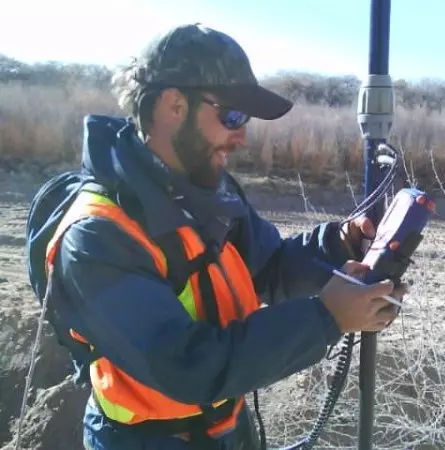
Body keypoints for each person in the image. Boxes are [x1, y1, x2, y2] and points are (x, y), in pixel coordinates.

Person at [37, 23, 405, 450]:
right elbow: (188, 366)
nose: (242, 135)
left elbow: (268, 266)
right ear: (174, 105)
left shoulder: (209, 190)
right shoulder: (97, 235)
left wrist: (340, 246)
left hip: (228, 429)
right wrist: (327, 319)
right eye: (232, 115)